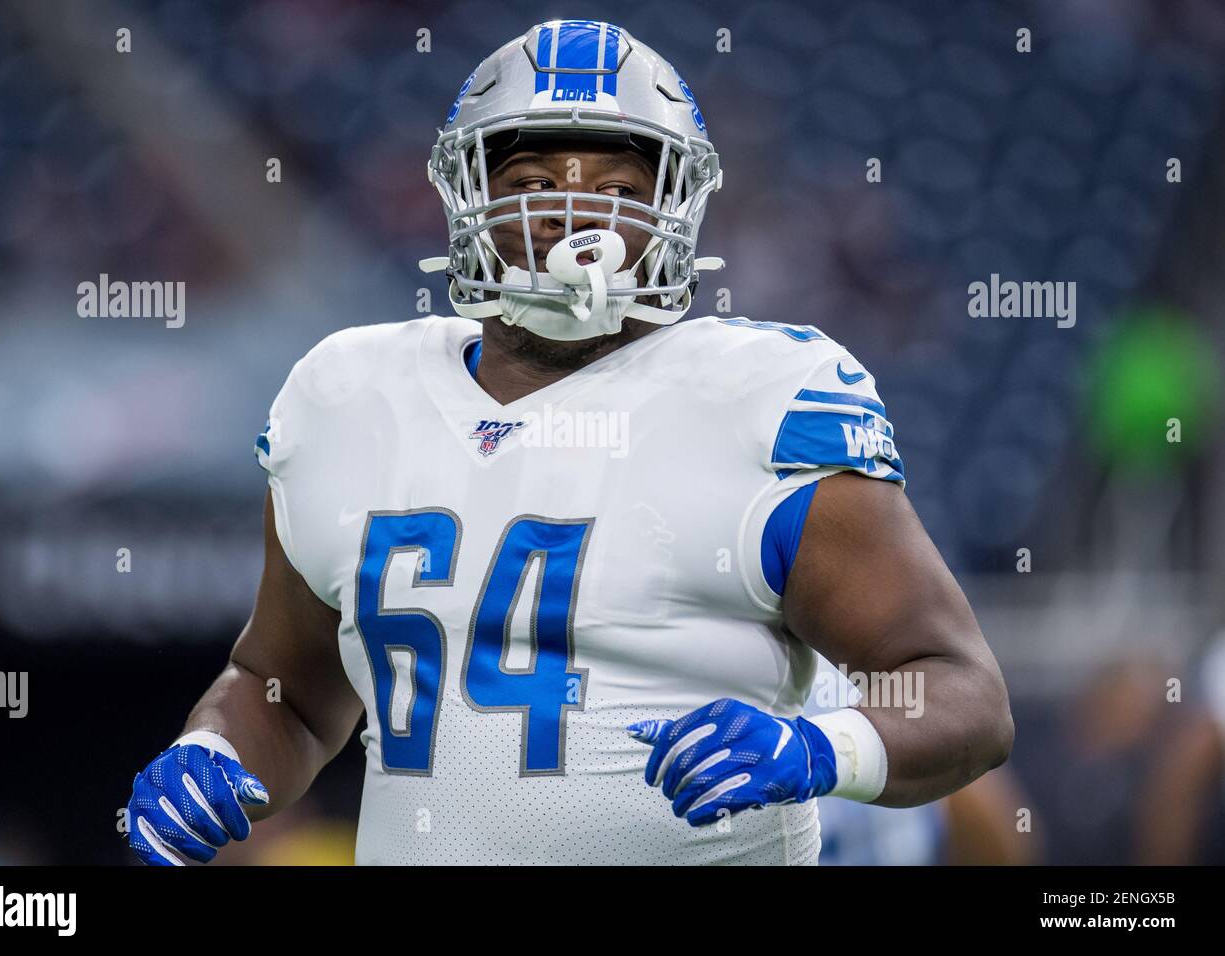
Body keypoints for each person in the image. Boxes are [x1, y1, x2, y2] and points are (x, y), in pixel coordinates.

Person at [124, 19, 1012, 866]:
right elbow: (288, 691)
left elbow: (961, 692)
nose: (570, 215)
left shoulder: (766, 399)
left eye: (618, 189)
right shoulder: (346, 395)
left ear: (677, 208)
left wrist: (826, 748)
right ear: (467, 193)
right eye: (532, 183)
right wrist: (217, 744)